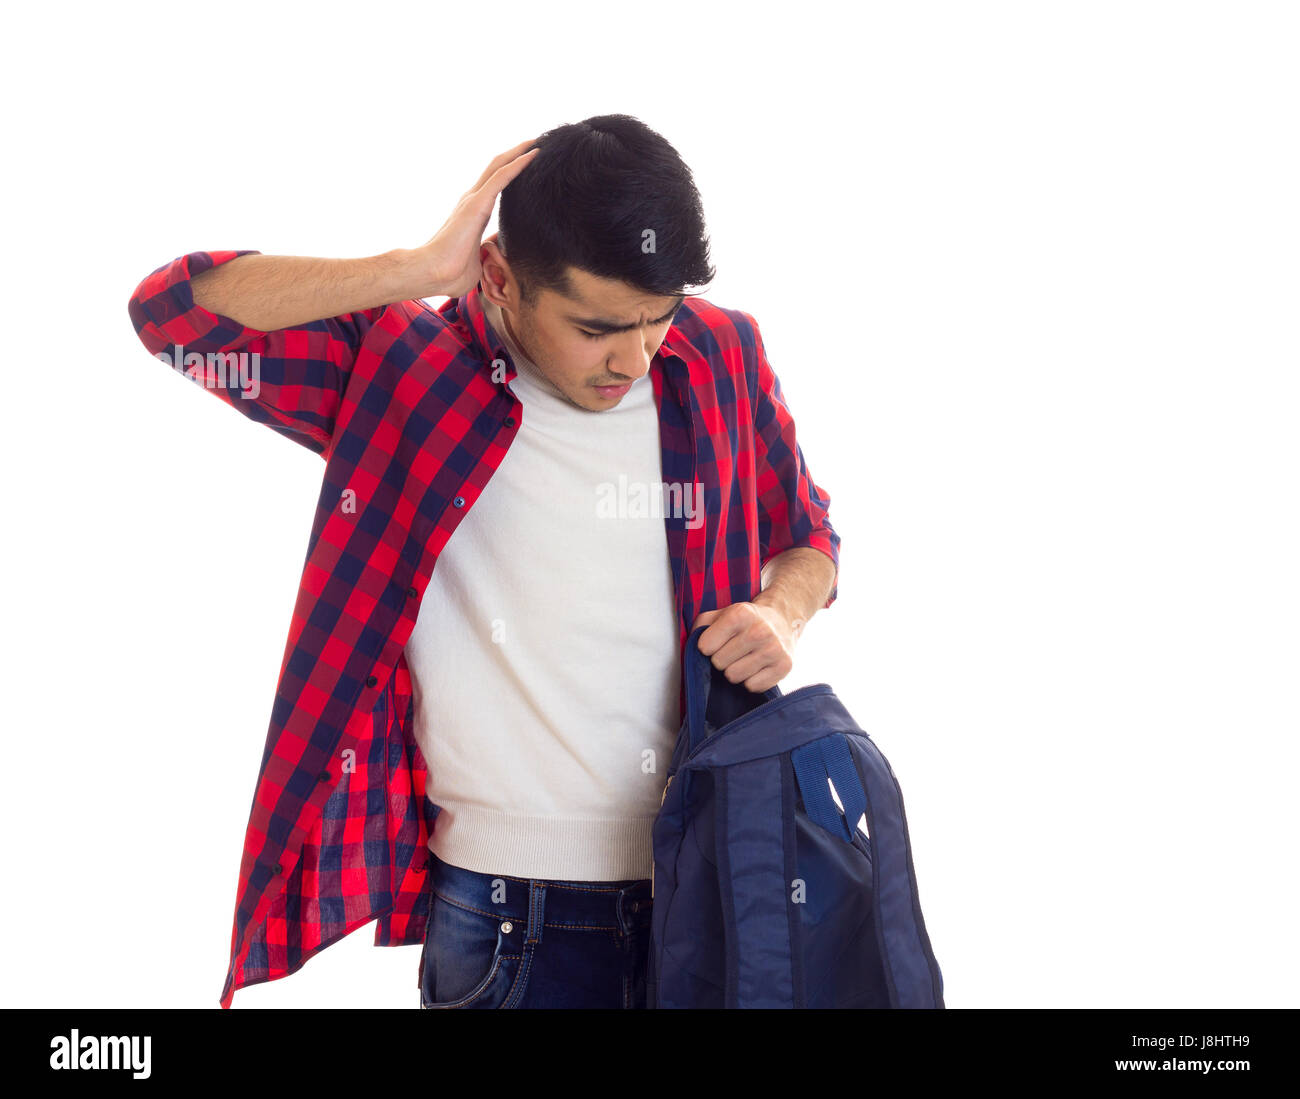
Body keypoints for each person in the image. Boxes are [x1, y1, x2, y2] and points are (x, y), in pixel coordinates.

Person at [127, 113, 839, 1009]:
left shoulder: (720, 354)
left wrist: (783, 611)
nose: (635, 355)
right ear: (501, 275)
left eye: (658, 319)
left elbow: (808, 532)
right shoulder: (408, 368)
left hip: (708, 894)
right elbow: (171, 314)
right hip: (507, 922)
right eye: (599, 327)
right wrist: (414, 269)